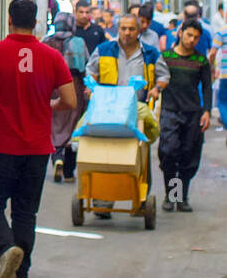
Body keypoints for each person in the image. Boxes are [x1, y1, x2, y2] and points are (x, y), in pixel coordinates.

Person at [0, 0, 76, 278]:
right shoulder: (51, 56)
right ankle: (20, 277)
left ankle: (6, 249)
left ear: (9, 20)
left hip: (1, 145)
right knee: (26, 212)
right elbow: (70, 101)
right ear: (37, 22)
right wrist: (48, 105)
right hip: (38, 148)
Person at [84, 13, 170, 219]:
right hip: (107, 108)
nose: (127, 33)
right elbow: (90, 71)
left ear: (139, 30)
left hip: (136, 109)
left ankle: (139, 199)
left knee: (140, 153)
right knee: (105, 153)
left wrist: (157, 88)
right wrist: (91, 87)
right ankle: (103, 200)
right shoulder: (104, 50)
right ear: (117, 29)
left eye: (131, 29)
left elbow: (164, 75)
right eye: (123, 28)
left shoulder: (150, 54)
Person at [158, 19, 212, 212]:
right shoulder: (165, 57)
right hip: (170, 112)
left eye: (196, 38)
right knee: (169, 152)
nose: (192, 40)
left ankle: (182, 197)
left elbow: (207, 87)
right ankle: (171, 195)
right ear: (180, 33)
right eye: (189, 35)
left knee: (189, 155)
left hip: (192, 114)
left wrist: (206, 111)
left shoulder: (201, 61)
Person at [43, 13, 88, 183]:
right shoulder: (78, 42)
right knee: (72, 123)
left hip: (50, 86)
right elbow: (85, 65)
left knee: (53, 123)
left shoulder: (46, 42)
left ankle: (57, 157)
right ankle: (69, 171)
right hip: (73, 84)